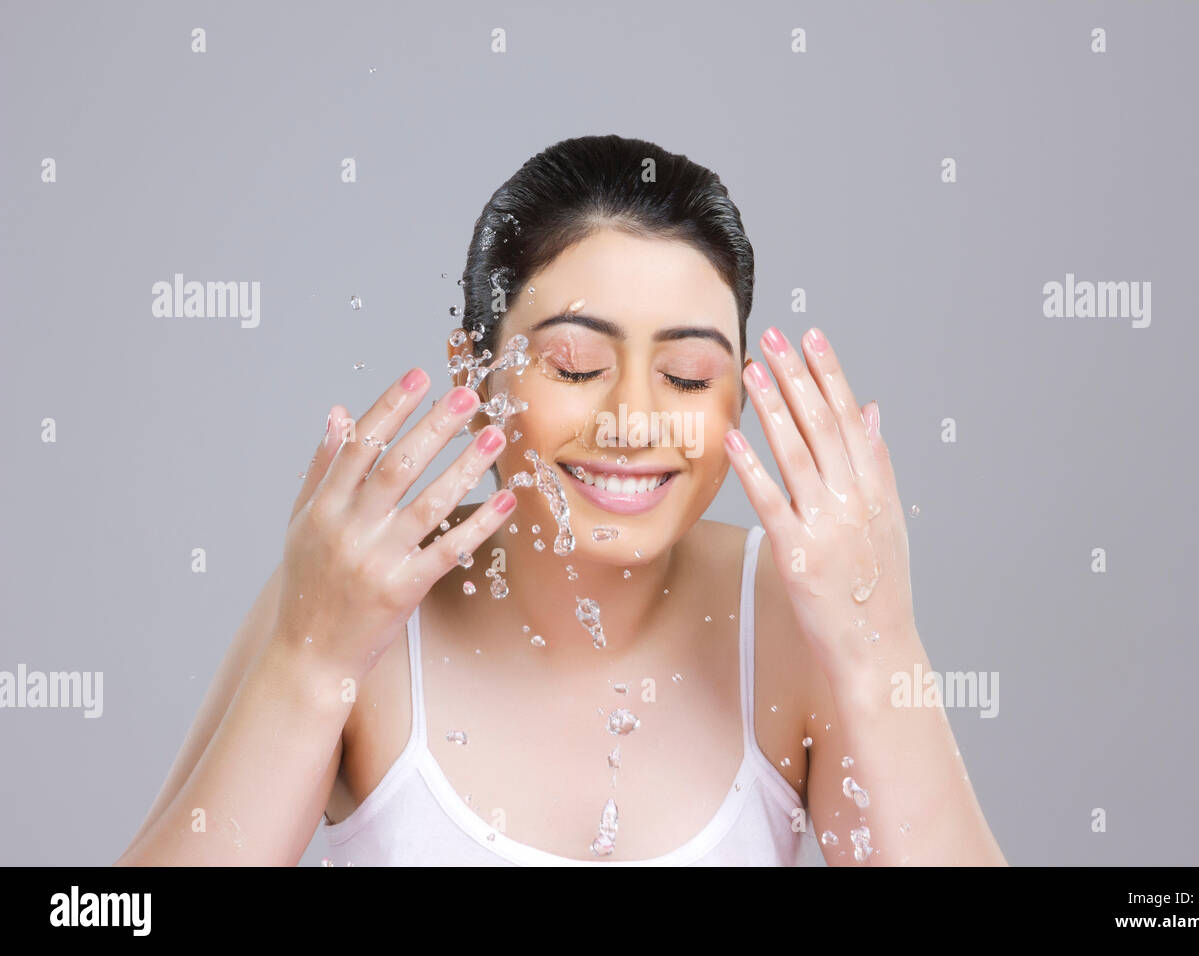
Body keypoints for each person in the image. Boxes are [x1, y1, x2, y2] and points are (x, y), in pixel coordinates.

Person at [116, 134, 1006, 866]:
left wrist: (881, 644)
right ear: (476, 368)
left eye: (688, 376)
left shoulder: (795, 618)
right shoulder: (355, 599)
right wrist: (309, 662)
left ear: (741, 389)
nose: (631, 421)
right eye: (576, 365)